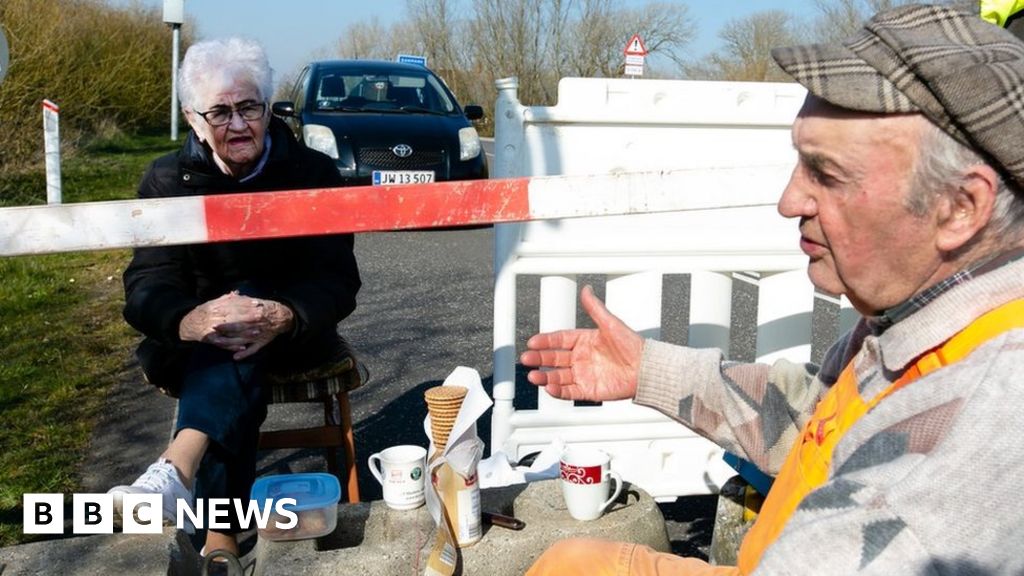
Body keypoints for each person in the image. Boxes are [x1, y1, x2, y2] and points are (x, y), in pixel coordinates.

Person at [522, 4, 1024, 575]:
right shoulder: (927, 314)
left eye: (826, 174)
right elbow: (817, 420)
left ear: (960, 207)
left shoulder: (921, 493)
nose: (789, 201)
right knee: (573, 561)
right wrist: (647, 369)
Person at [106, 37, 361, 559]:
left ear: (268, 107)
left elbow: (337, 279)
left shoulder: (313, 173)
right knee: (231, 335)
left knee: (242, 318)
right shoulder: (165, 181)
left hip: (295, 333)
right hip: (194, 342)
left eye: (250, 107)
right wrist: (189, 319)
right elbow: (147, 284)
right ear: (193, 119)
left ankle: (188, 488)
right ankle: (214, 528)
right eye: (220, 112)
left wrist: (284, 315)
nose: (239, 124)